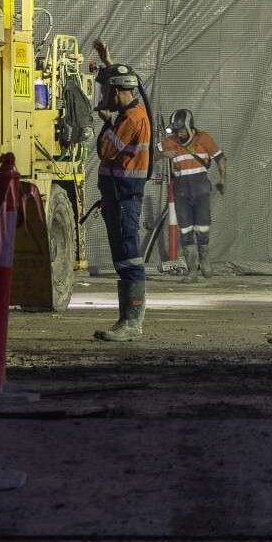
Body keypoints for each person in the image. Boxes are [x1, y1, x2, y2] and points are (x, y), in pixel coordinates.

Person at [93, 64, 152, 342]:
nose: (104, 95)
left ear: (118, 91)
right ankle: (126, 319)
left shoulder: (131, 119)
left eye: (107, 90)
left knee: (129, 256)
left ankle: (132, 322)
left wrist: (107, 123)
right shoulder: (130, 114)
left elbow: (106, 149)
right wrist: (106, 59)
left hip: (125, 196)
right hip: (117, 196)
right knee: (123, 257)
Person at [158, 109, 225, 283]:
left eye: (181, 129)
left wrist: (223, 179)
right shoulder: (170, 142)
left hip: (201, 190)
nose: (179, 133)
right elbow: (153, 153)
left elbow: (220, 157)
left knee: (202, 228)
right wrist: (163, 154)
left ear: (189, 126)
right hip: (181, 191)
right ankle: (192, 270)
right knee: (185, 230)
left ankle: (205, 260)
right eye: (176, 130)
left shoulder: (204, 139)